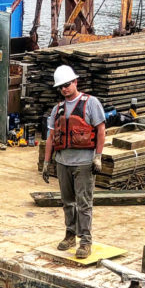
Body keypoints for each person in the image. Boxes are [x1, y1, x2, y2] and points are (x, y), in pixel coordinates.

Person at [42, 64, 106, 260]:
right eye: (61, 86)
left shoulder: (91, 103)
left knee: (84, 203)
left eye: (67, 84)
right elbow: (51, 136)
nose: (64, 89)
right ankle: (70, 235)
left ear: (75, 82)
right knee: (67, 202)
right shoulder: (58, 109)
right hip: (63, 162)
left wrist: (98, 156)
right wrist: (46, 162)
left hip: (84, 163)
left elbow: (101, 130)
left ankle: (85, 241)